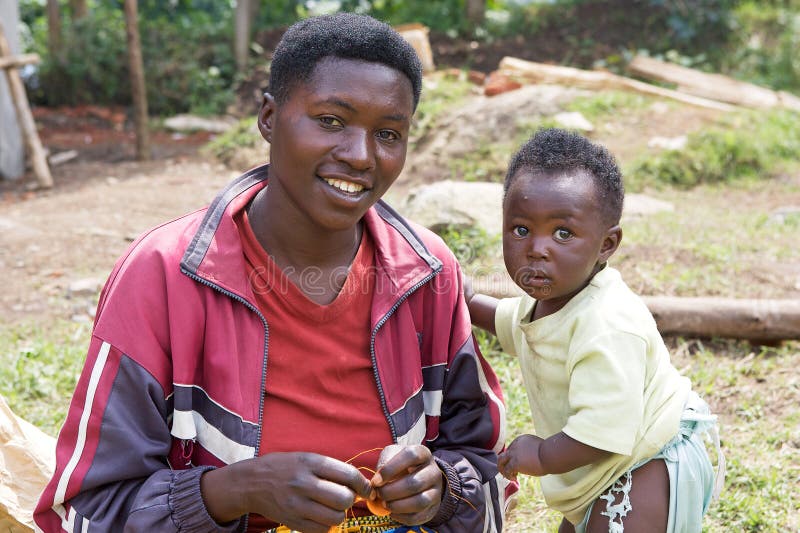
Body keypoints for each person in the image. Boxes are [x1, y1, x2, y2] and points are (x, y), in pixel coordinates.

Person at [35, 13, 511, 533]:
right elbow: (84, 512)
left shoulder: (425, 270)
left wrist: (441, 487)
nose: (360, 156)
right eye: (331, 120)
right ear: (268, 117)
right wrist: (232, 491)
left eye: (389, 133)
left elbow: (486, 466)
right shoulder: (166, 275)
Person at [465, 128, 724, 532]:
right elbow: (509, 322)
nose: (537, 248)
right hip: (602, 467)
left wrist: (542, 455)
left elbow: (603, 432)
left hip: (647, 461)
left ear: (607, 244)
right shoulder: (551, 299)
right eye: (520, 229)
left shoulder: (608, 325)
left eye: (563, 233)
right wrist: (462, 300)